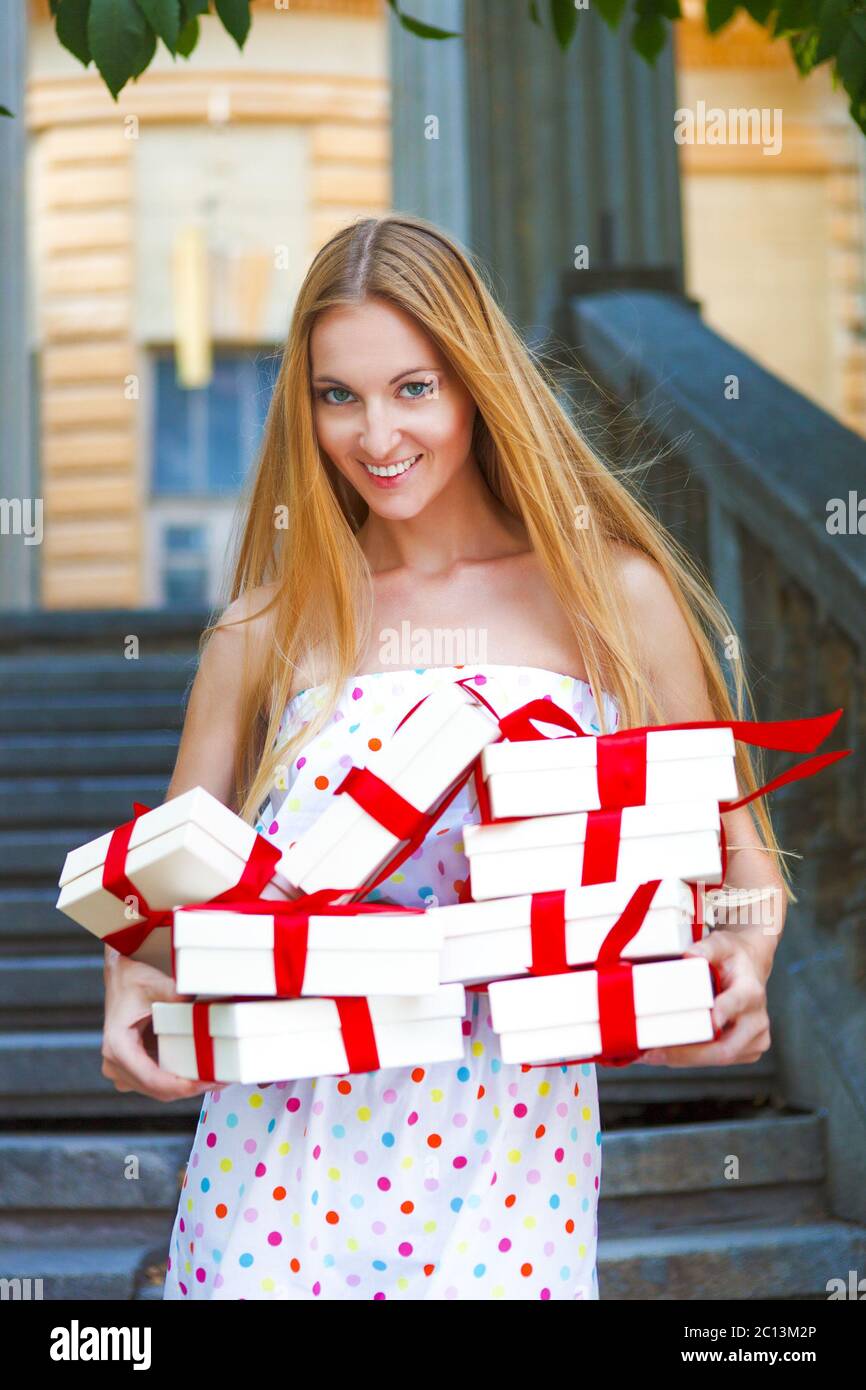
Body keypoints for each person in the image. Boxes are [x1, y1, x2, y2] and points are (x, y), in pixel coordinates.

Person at [102, 213, 785, 1300]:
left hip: (510, 1164)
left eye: (413, 388)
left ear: (475, 385)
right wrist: (131, 979)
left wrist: (739, 969)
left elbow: (741, 865)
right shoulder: (264, 625)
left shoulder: (611, 597)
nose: (376, 435)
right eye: (340, 396)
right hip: (277, 1167)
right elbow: (171, 893)